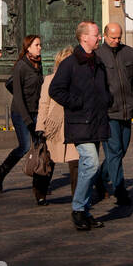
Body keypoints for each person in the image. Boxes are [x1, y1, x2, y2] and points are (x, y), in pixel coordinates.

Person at [47, 21, 112, 231]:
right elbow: (56, 90)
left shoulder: (97, 62)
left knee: (90, 168)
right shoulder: (70, 63)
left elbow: (103, 88)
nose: (99, 38)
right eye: (96, 35)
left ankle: (84, 210)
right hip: (79, 123)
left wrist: (107, 100)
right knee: (91, 163)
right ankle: (77, 208)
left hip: (97, 121)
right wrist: (76, 103)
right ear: (84, 37)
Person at [0, 35, 45, 196]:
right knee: (24, 147)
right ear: (28, 47)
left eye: (40, 45)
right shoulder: (21, 67)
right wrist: (28, 120)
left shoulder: (38, 64)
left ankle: (39, 186)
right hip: (20, 112)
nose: (40, 47)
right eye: (37, 45)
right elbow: (19, 97)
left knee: (40, 147)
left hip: (36, 111)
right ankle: (2, 171)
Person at [96, 22, 133, 207]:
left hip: (127, 109)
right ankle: (120, 191)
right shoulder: (98, 55)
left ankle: (100, 177)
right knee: (113, 151)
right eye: (113, 37)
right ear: (105, 36)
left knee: (122, 149)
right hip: (108, 112)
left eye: (119, 37)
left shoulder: (129, 52)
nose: (116, 40)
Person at [36, 46, 80, 204]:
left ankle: (78, 198)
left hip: (73, 125)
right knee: (48, 163)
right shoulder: (50, 80)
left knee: (76, 163)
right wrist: (40, 127)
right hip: (54, 127)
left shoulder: (79, 80)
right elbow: (43, 105)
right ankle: (40, 193)